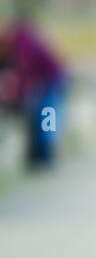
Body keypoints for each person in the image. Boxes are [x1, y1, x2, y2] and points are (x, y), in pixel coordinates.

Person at [0, 14, 69, 169]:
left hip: (53, 80)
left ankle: (48, 155)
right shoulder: (17, 43)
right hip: (42, 83)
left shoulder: (22, 43)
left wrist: (14, 93)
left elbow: (24, 73)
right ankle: (39, 156)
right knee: (39, 115)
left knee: (47, 115)